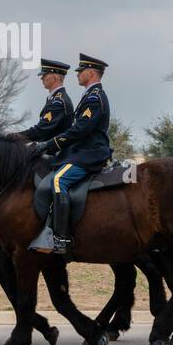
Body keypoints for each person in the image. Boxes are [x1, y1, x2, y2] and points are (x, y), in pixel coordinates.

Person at [29, 54, 113, 254]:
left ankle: (61, 237)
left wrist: (49, 144)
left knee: (58, 180)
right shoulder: (90, 95)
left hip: (90, 153)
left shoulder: (94, 98)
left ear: (91, 73)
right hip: (82, 152)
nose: (77, 75)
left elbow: (80, 131)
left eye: (81, 71)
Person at [18, 59, 72, 142]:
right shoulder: (56, 98)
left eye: (45, 75)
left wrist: (15, 137)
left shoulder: (58, 102)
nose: (41, 78)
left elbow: (40, 131)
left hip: (54, 152)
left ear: (54, 78)